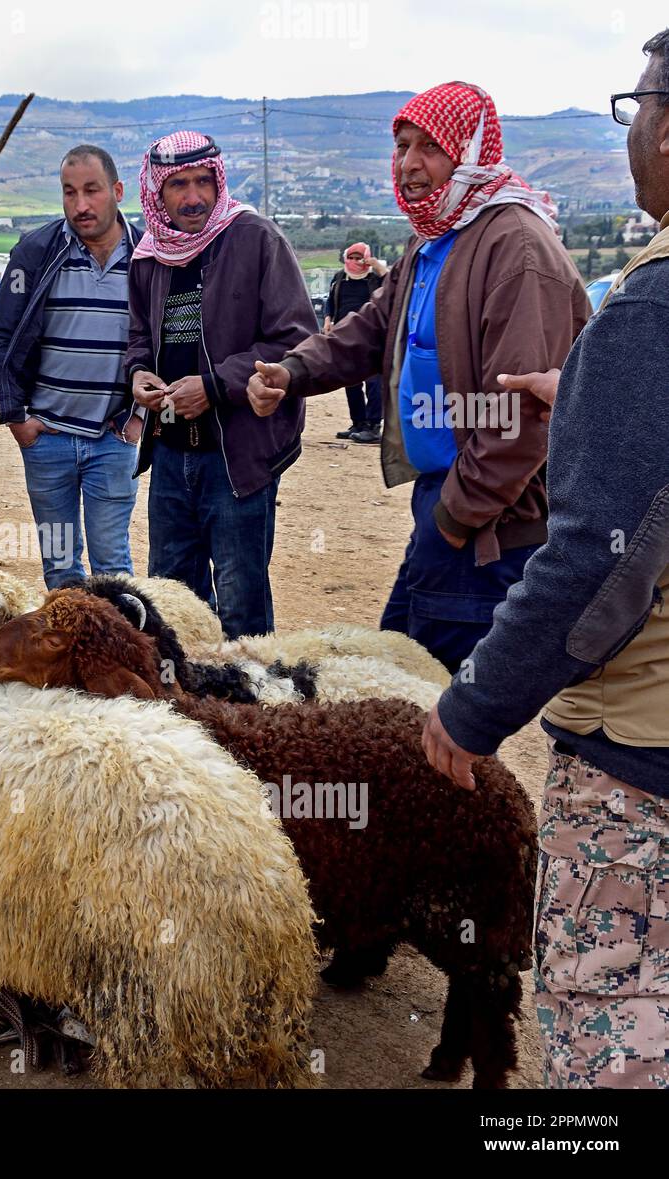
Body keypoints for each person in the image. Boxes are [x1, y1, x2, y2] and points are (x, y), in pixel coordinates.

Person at [422, 30, 669, 1090]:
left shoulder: (650, 302)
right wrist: (597, 411)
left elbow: (595, 562)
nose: (634, 135)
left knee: (604, 1035)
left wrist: (471, 707)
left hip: (641, 753)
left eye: (637, 108)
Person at [249, 82, 588, 674]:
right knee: (397, 684)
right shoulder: (437, 238)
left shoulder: (516, 249)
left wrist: (456, 518)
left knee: (431, 713)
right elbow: (375, 327)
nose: (408, 165)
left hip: (491, 525)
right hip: (446, 503)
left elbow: (524, 415)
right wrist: (292, 370)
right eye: (402, 146)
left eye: (428, 147)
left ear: (471, 150)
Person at [125, 131, 316, 638]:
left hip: (238, 457)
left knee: (240, 605)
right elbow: (139, 336)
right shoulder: (149, 255)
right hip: (169, 453)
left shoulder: (256, 238)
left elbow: (296, 341)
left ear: (218, 180)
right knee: (170, 602)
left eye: (203, 181)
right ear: (157, 193)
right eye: (179, 184)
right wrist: (138, 374)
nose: (193, 197)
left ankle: (248, 712)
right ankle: (186, 710)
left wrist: (212, 386)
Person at [0, 144, 143, 588]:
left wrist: (138, 418)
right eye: (69, 192)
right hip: (47, 441)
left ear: (117, 190)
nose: (81, 205)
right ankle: (69, 658)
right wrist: (17, 417)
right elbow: (2, 335)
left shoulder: (147, 258)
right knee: (60, 570)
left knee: (114, 567)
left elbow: (162, 342)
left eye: (92, 190)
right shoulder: (36, 251)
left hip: (112, 439)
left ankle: (116, 655)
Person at [325, 242, 387, 442]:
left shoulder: (375, 279)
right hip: (344, 336)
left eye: (359, 258)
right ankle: (358, 422)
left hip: (371, 336)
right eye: (350, 257)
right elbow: (331, 301)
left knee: (373, 382)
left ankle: (373, 425)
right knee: (350, 382)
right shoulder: (340, 278)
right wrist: (328, 319)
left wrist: (378, 267)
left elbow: (393, 288)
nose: (354, 262)